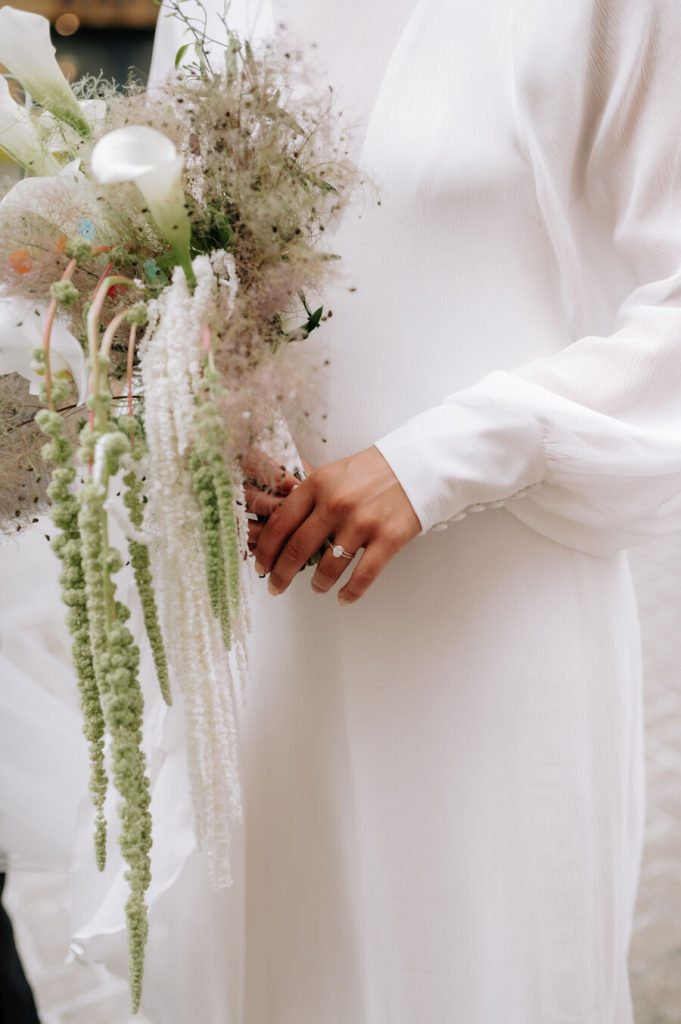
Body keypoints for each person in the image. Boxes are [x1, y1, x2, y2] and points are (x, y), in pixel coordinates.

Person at [31, 0, 681, 1021]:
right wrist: (192, 400)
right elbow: (170, 259)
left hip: (496, 615)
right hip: (268, 631)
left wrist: (437, 460)